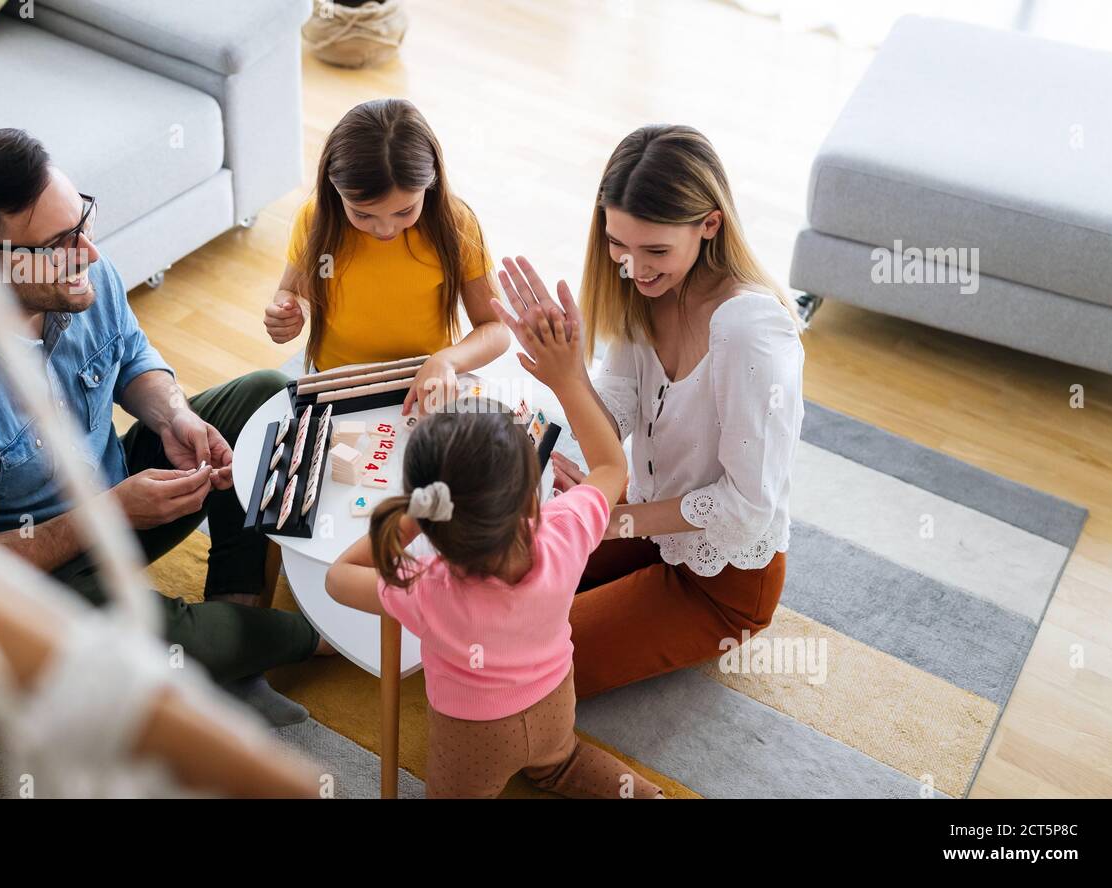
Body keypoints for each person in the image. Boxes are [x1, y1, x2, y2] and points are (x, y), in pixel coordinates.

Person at [0, 128, 323, 723]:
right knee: (141, 646)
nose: (89, 251)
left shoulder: (77, 276)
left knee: (267, 396)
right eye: (60, 241)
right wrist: (113, 512)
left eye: (82, 218)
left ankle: (232, 620)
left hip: (117, 492)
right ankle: (313, 637)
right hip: (40, 573)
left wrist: (173, 416)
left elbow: (130, 353)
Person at [499, 125, 805, 699]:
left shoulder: (749, 332)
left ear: (709, 225)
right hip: (646, 514)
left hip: (723, 580)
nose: (634, 269)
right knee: (497, 579)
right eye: (619, 244)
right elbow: (609, 424)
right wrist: (566, 380)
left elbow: (747, 510)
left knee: (522, 666)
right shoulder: (644, 292)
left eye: (656, 250)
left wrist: (610, 520)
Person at [325, 286, 662, 799]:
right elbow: (612, 466)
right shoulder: (563, 530)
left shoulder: (429, 591)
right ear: (531, 499)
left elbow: (337, 578)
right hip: (554, 702)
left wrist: (417, 514)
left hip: (474, 736)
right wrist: (569, 380)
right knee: (561, 764)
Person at [264, 98, 508, 413]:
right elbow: (295, 292)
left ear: (430, 183)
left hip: (425, 381)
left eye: (405, 210)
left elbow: (496, 328)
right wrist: (288, 311)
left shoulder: (455, 224)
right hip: (335, 383)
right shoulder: (316, 221)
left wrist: (447, 360)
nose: (384, 229)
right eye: (363, 215)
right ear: (334, 189)